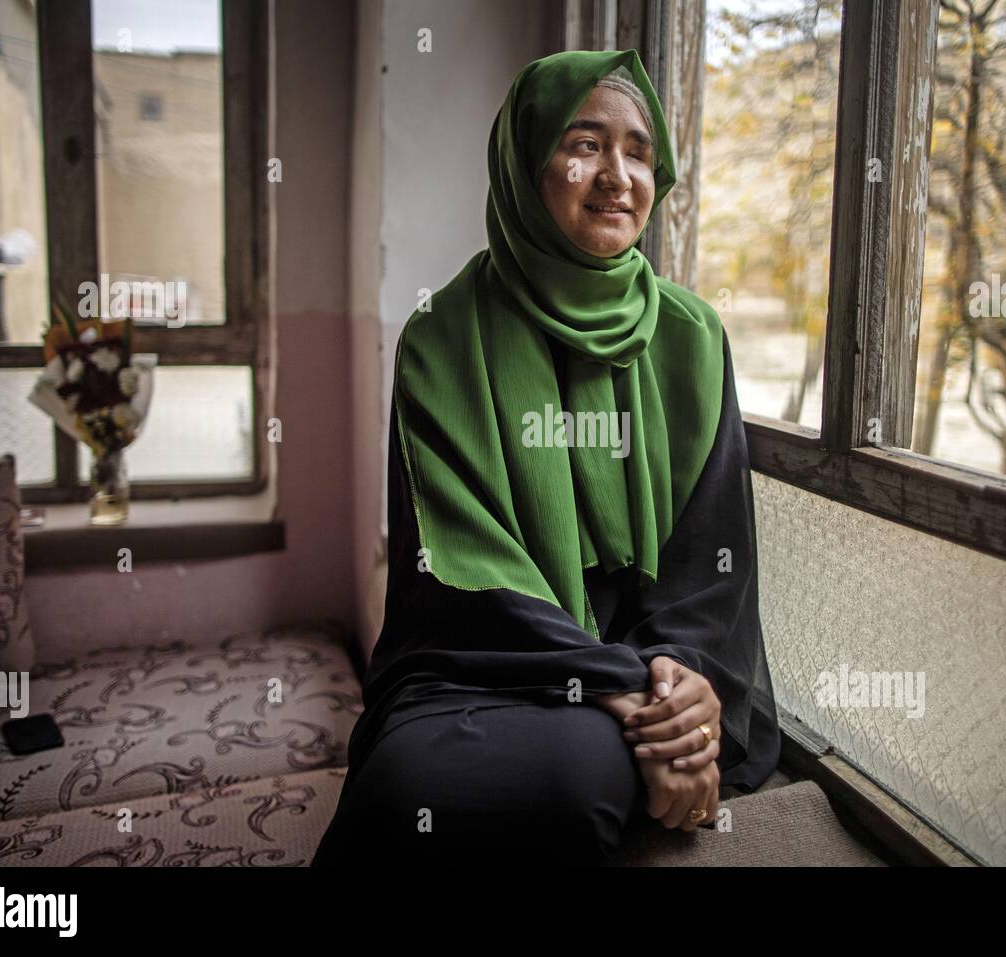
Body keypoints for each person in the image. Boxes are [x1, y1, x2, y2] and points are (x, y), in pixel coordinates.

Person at [311, 48, 780, 867]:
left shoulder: (692, 338)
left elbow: (713, 565)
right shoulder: (442, 337)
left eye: (639, 151)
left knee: (576, 771)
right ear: (527, 163)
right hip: (479, 658)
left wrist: (677, 684)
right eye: (585, 143)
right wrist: (621, 688)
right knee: (408, 790)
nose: (618, 176)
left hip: (649, 652)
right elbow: (460, 565)